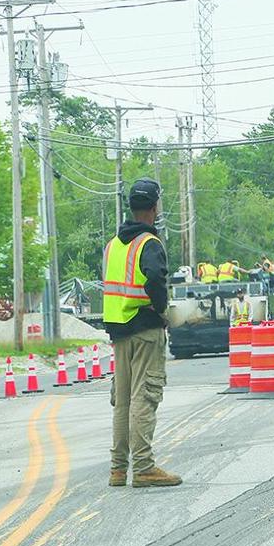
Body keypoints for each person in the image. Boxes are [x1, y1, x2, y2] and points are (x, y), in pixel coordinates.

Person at [102, 179, 181, 489]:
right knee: (143, 398)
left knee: (122, 402)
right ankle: (144, 467)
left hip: (118, 331)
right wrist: (163, 311)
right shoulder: (149, 243)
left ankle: (118, 470)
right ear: (154, 207)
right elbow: (155, 281)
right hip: (145, 329)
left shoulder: (113, 245)